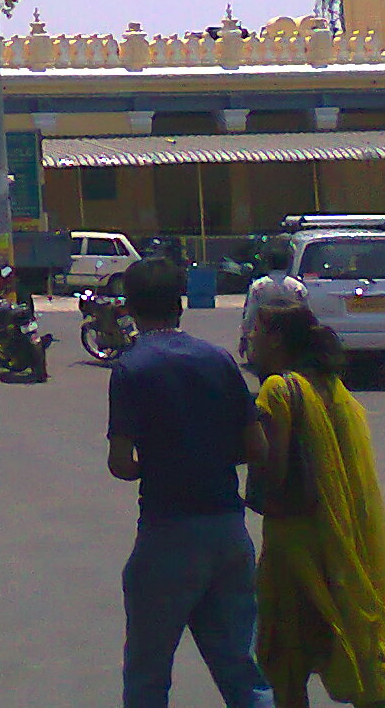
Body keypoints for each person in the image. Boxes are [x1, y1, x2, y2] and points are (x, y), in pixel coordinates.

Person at [106, 256, 275, 708]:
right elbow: (257, 448)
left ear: (130, 307)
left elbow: (120, 463)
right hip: (227, 531)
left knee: (148, 674)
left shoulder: (131, 368)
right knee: (242, 671)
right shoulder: (218, 360)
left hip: (167, 532)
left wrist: (159, 462)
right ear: (180, 304)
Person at [249, 306, 385, 708]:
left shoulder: (278, 390)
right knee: (354, 637)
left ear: (275, 339)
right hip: (343, 542)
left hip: (295, 546)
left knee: (283, 658)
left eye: (255, 332)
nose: (249, 340)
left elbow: (275, 470)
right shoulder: (335, 389)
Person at [237, 247, 306, 367]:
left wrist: (244, 338)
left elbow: (250, 314)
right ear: (287, 264)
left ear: (268, 264)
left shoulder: (259, 286)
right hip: (291, 339)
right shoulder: (297, 287)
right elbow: (307, 313)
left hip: (265, 338)